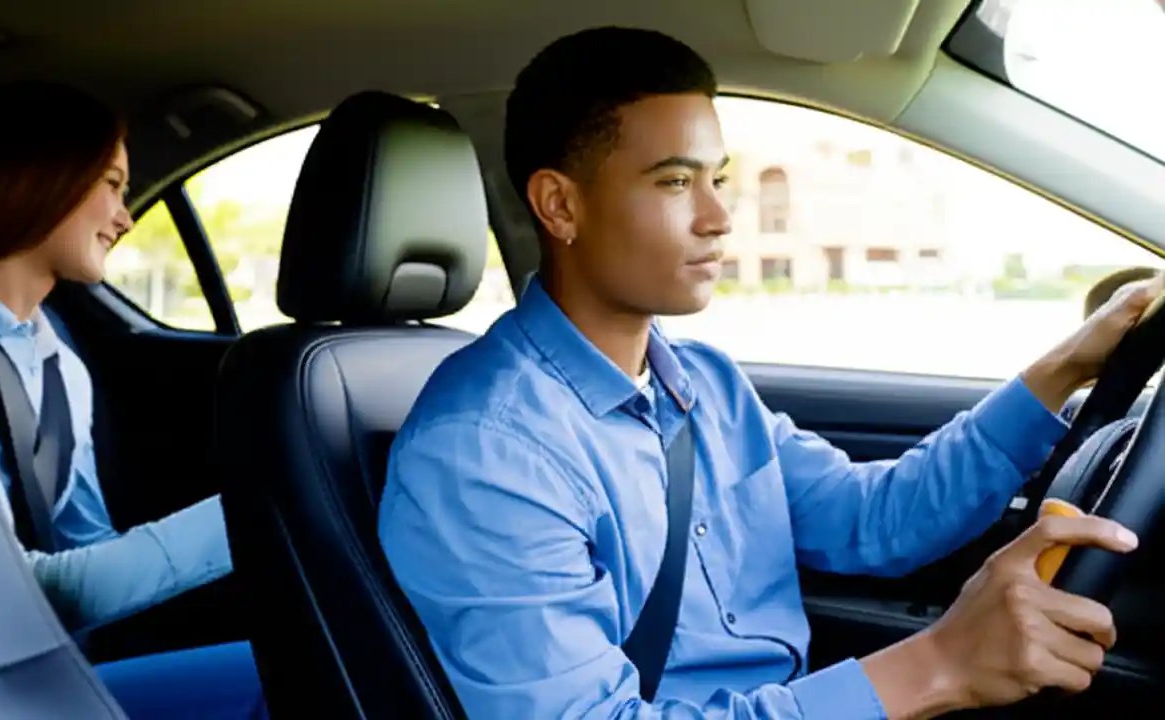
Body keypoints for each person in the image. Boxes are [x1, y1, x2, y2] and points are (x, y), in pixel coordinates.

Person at [378, 27, 1160, 719]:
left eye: (717, 178)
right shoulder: (484, 450)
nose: (719, 216)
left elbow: (873, 521)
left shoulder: (704, 386)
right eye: (676, 182)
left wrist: (1067, 367)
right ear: (560, 206)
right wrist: (936, 664)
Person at [0, 82, 265, 719]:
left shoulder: (56, 358)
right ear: (41, 179)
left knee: (312, 667)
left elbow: (84, 555)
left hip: (34, 672)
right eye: (113, 184)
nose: (126, 216)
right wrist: (262, 508)